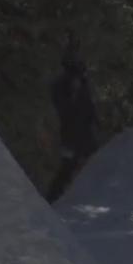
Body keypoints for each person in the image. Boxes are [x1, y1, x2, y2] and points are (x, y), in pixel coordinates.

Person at [46, 42, 98, 202]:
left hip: (83, 132)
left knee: (92, 164)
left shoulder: (81, 82)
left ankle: (89, 197)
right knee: (68, 168)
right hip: (70, 133)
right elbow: (66, 108)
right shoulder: (64, 84)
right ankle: (51, 201)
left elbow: (88, 106)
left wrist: (95, 121)